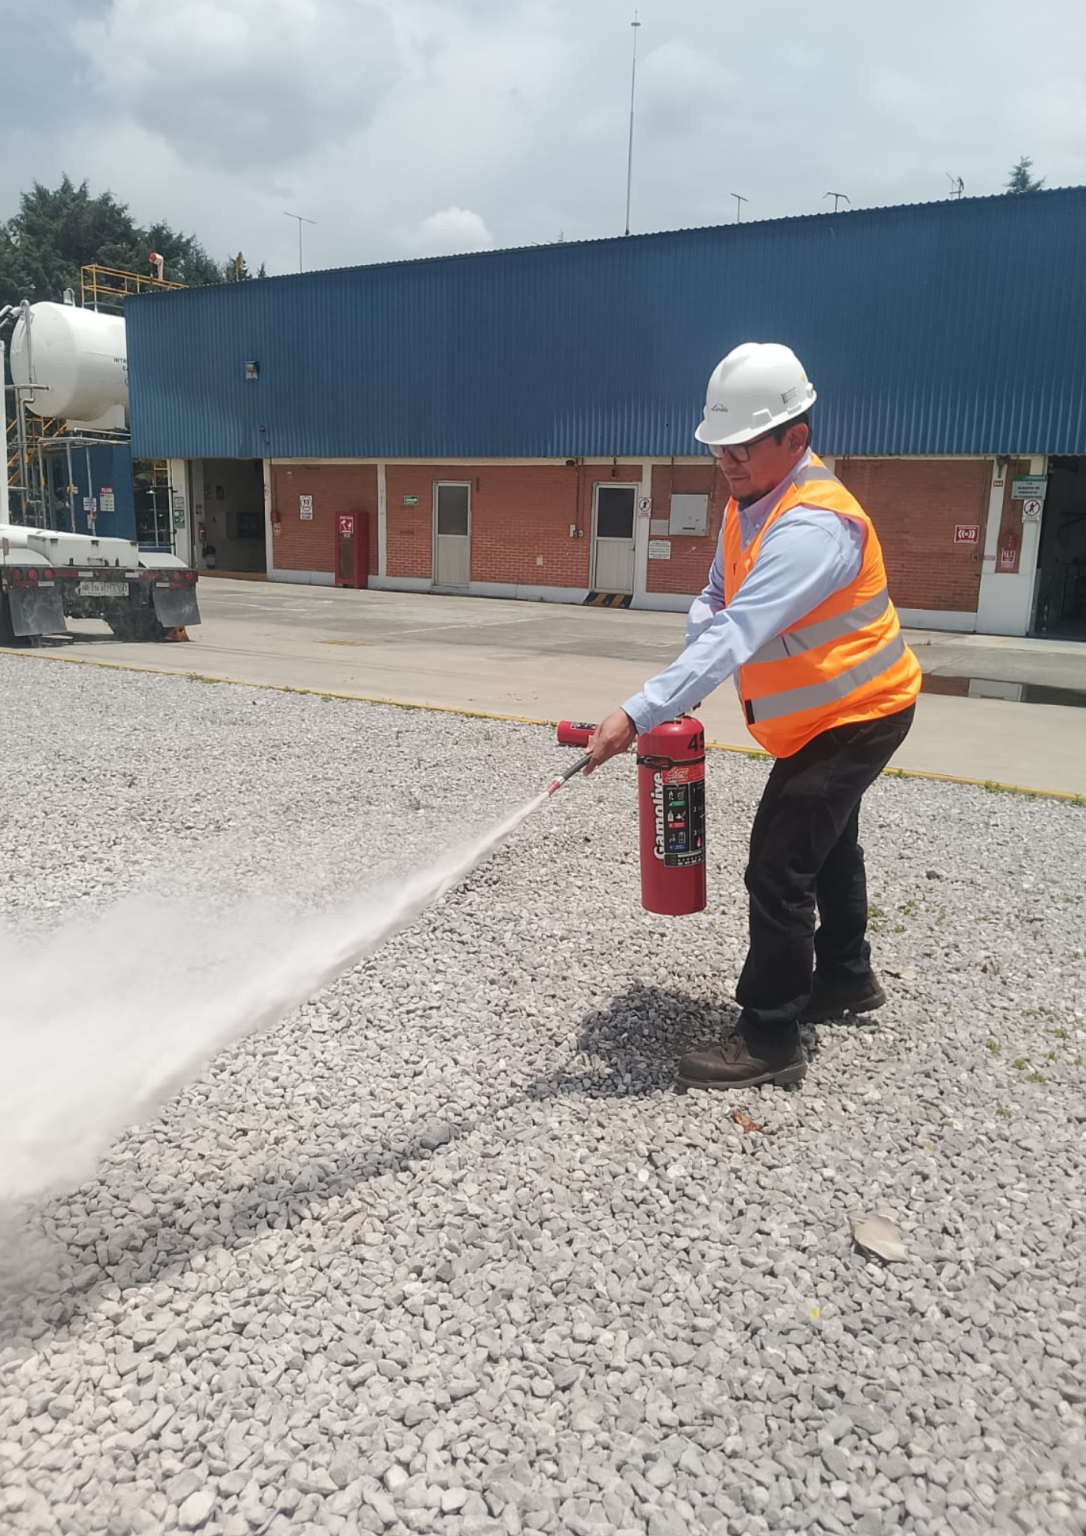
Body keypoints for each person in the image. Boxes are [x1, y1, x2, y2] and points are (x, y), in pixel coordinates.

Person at [586, 343, 921, 1090]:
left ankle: (770, 1035)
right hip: (825, 712)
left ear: (795, 438)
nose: (727, 461)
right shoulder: (750, 507)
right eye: (718, 447)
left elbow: (739, 630)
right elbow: (716, 597)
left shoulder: (813, 529)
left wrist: (638, 711)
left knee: (778, 864)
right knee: (829, 845)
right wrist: (690, 669)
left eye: (742, 446)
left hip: (858, 712)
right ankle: (846, 975)